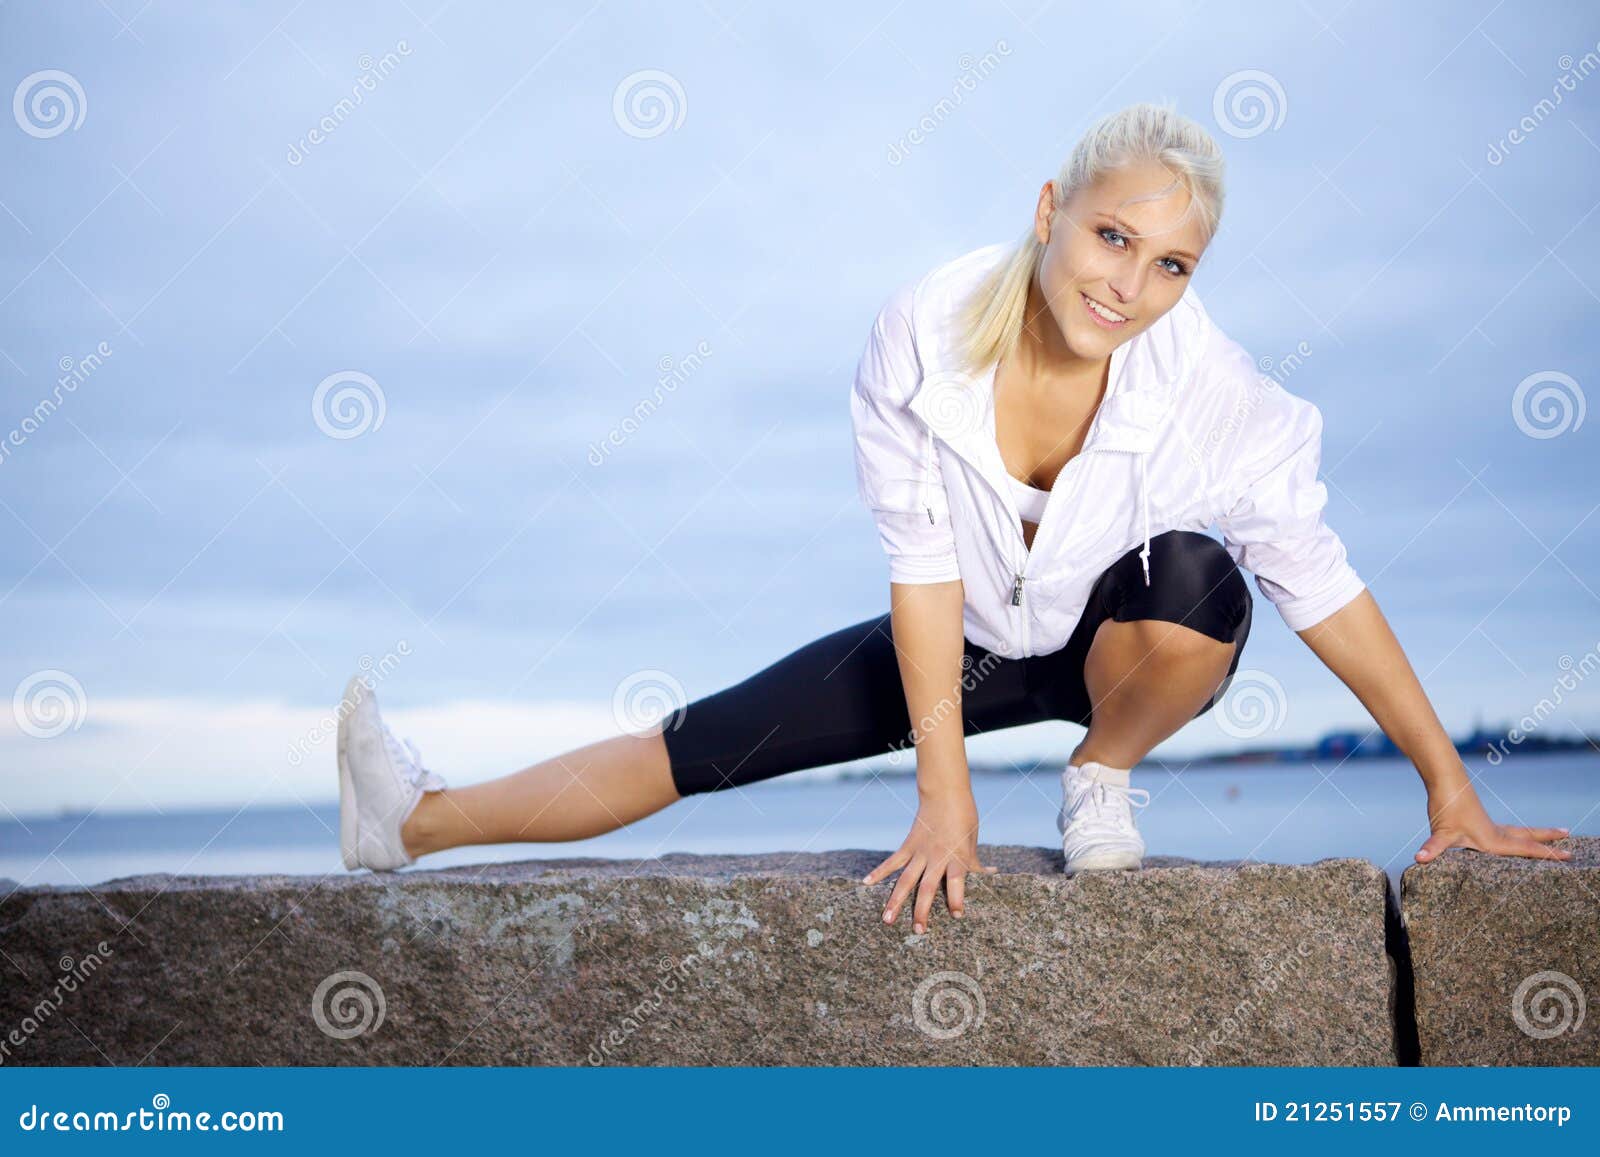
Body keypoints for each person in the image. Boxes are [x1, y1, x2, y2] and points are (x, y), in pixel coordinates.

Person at [335, 102, 1570, 936]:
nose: (1127, 286)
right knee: (697, 740)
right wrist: (947, 793)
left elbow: (1320, 583)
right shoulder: (925, 334)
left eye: (1170, 264)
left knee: (1203, 575)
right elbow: (921, 569)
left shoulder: (1214, 391)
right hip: (962, 640)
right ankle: (412, 821)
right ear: (1049, 208)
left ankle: (1099, 773)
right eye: (1111, 236)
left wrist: (1447, 789)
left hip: (1121, 653)